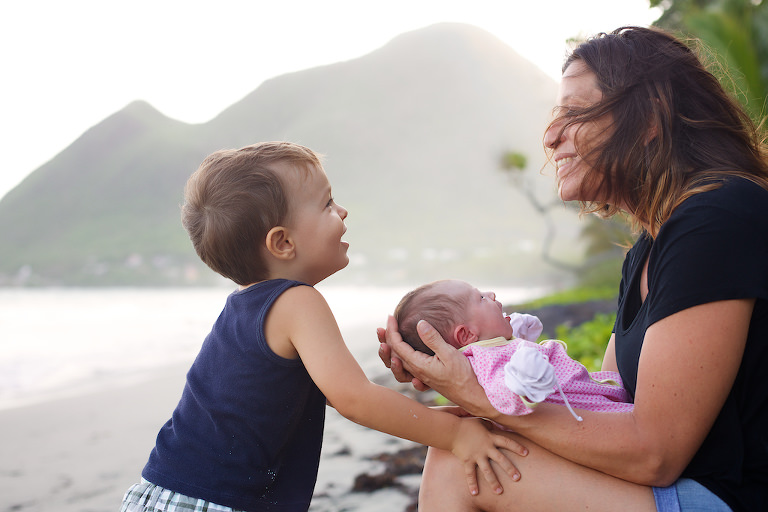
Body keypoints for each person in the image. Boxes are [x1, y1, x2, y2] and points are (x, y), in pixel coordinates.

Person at [379, 26, 768, 512]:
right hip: (684, 487)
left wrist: (486, 403)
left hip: (731, 497)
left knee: (461, 467)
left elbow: (654, 452)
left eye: (574, 114)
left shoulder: (716, 217)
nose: (550, 136)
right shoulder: (652, 244)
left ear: (649, 117)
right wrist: (470, 376)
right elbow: (607, 401)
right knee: (468, 442)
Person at [120, 142, 526, 512]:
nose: (343, 211)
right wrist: (453, 436)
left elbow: (331, 393)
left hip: (173, 490)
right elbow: (354, 399)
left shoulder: (248, 307)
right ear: (282, 243)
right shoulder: (298, 301)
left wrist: (447, 406)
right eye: (328, 204)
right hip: (214, 501)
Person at [395, 279, 633, 421]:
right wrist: (526, 380)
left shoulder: (488, 352)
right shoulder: (486, 360)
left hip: (585, 399)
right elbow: (504, 393)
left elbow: (503, 361)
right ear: (466, 335)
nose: (491, 294)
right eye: (480, 298)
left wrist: (517, 337)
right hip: (588, 411)